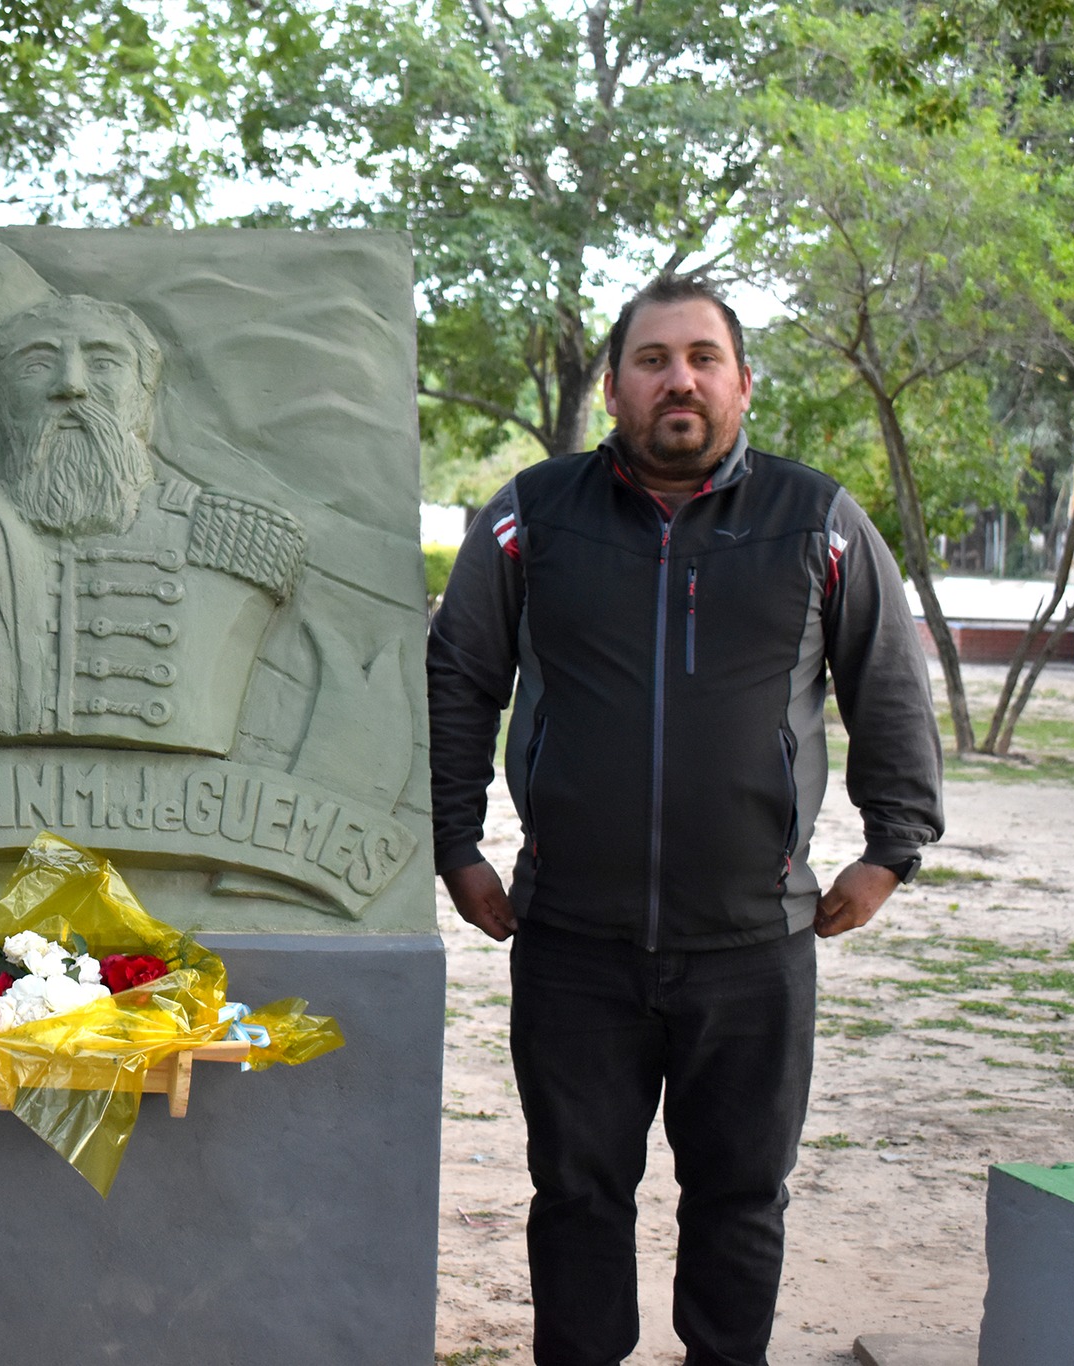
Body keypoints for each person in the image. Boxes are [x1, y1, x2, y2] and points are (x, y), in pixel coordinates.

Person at [426, 276, 943, 1366]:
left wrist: (891, 847)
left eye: (703, 359)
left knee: (741, 1196)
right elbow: (459, 676)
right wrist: (455, 843)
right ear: (614, 387)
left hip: (753, 944)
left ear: (742, 384)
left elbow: (887, 681)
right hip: (572, 940)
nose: (680, 380)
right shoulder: (531, 516)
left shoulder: (815, 518)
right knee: (575, 1194)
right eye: (653, 359)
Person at [0, 293, 305, 755]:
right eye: (37, 365)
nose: (71, 386)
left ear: (144, 399)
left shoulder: (234, 536)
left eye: (104, 363)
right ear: (4, 403)